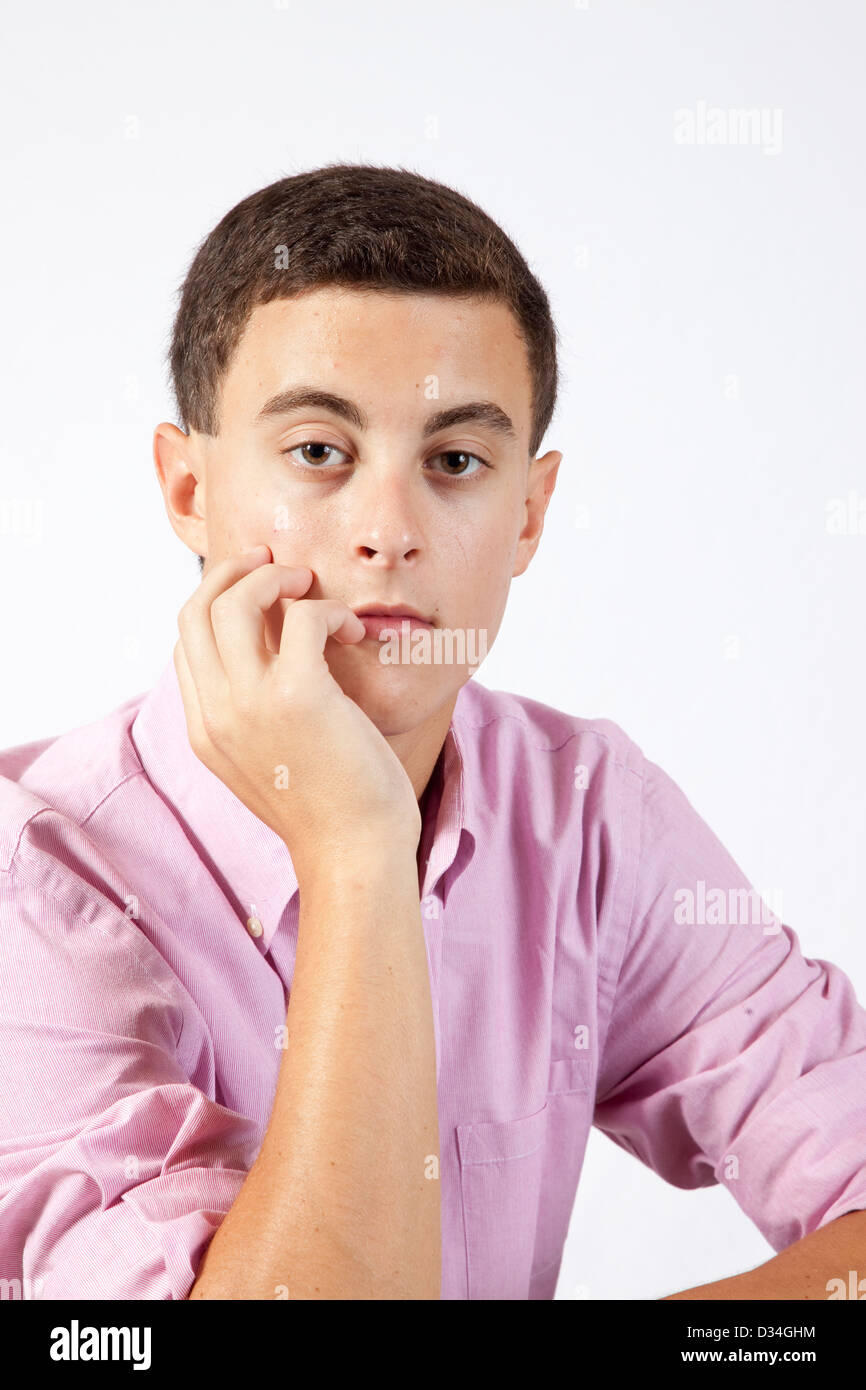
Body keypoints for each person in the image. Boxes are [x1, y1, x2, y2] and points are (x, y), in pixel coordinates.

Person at [1, 163, 864, 1301]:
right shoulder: (37, 884)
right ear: (187, 489)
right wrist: (357, 850)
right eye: (319, 450)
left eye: (454, 461)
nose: (388, 533)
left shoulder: (585, 812)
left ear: (527, 512)